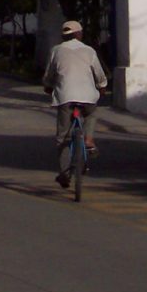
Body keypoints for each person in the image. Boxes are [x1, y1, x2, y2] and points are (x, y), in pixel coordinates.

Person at [42, 18, 109, 188]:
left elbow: (49, 74)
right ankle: (88, 139)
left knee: (62, 138)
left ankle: (64, 173)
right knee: (92, 113)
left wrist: (48, 87)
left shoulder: (56, 50)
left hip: (65, 96)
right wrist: (102, 87)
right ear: (79, 34)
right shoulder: (89, 51)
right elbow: (99, 74)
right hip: (87, 96)